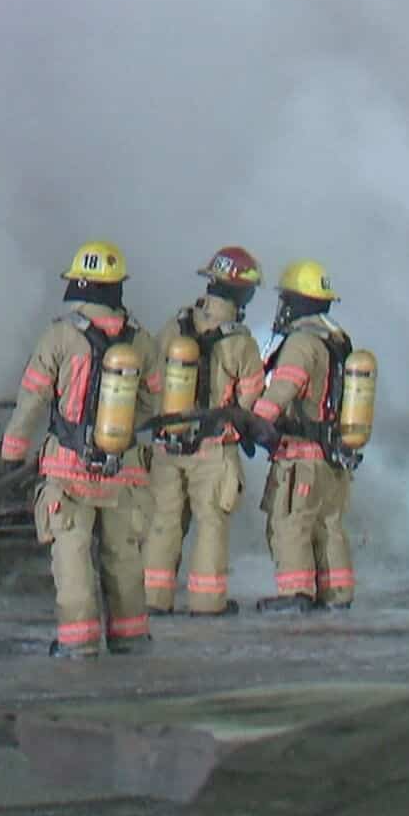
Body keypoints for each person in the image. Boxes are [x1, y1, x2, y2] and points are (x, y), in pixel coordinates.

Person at [0, 240, 158, 657]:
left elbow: (32, 398)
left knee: (72, 557)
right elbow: (152, 405)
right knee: (123, 557)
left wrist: (12, 453)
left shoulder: (60, 335)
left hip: (70, 471)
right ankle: (131, 637)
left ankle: (79, 642)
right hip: (124, 473)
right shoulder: (141, 340)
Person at [141, 246, 268, 616]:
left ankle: (153, 599)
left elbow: (152, 376)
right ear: (242, 292)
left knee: (163, 522)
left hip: (168, 443)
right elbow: (250, 397)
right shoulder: (240, 341)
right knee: (211, 524)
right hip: (213, 448)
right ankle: (207, 602)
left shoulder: (175, 325)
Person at [247, 259, 360, 612]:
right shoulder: (339, 341)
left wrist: (254, 422)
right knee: (329, 527)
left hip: (301, 458)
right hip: (334, 458)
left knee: (289, 523)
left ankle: (295, 595)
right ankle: (338, 595)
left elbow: (284, 389)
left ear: (296, 302)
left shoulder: (301, 343)